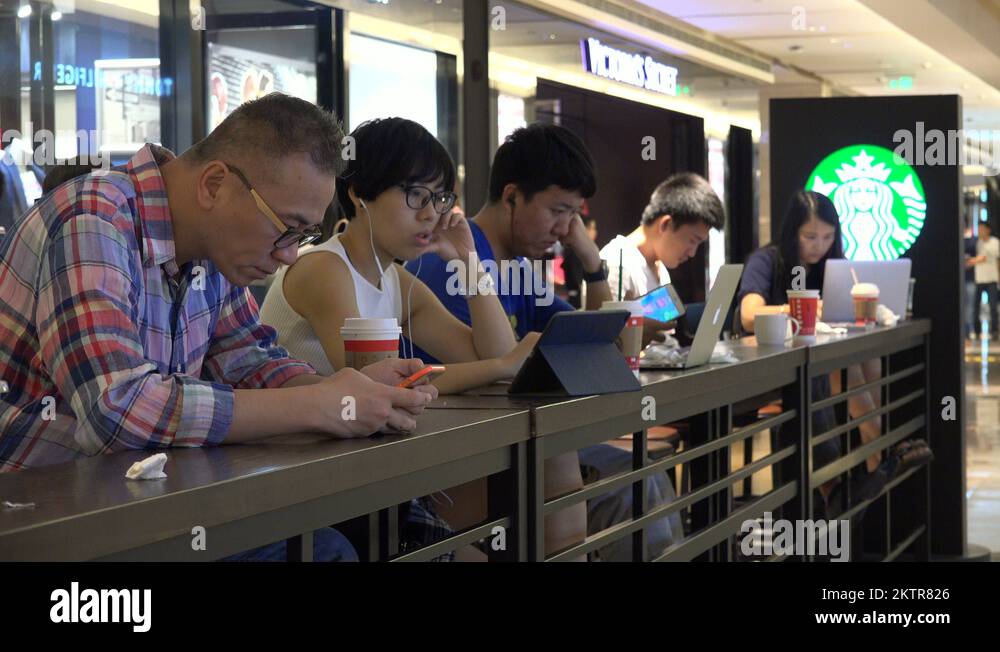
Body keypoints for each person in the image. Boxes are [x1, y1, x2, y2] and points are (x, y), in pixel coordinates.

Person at [0, 93, 438, 561]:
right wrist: (317, 405)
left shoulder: (213, 250)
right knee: (326, 552)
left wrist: (349, 394)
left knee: (346, 539)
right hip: (41, 520)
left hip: (144, 506)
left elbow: (252, 362)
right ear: (214, 185)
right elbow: (118, 409)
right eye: (287, 228)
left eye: (305, 236)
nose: (291, 254)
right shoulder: (92, 220)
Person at [260, 117, 537, 559]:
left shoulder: (397, 281)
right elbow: (384, 386)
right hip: (301, 490)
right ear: (358, 193)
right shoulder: (321, 268)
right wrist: (503, 367)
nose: (431, 214)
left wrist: (468, 259)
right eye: (415, 196)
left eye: (440, 198)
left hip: (360, 477)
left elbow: (494, 350)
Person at [407, 123, 683, 561]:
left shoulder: (518, 267)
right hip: (463, 458)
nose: (565, 227)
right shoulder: (453, 262)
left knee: (643, 473)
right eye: (558, 210)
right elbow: (495, 372)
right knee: (635, 479)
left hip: (519, 440)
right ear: (513, 196)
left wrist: (591, 263)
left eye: (574, 214)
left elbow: (596, 338)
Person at [737, 190, 909, 517]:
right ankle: (879, 453)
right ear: (792, 233)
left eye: (828, 237)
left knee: (865, 360)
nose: (819, 245)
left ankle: (874, 458)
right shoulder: (767, 260)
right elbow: (748, 313)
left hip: (813, 366)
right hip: (772, 369)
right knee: (842, 369)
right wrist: (800, 309)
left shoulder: (837, 267)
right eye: (810, 236)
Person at [970, 221, 999, 340]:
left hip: (991, 278)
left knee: (993, 306)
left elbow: (993, 258)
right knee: (975, 306)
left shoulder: (995, 242)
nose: (980, 231)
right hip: (980, 278)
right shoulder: (978, 243)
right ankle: (976, 330)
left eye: (982, 229)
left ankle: (994, 331)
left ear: (988, 230)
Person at [965, 226, 980, 341]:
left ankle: (969, 330)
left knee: (970, 306)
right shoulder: (957, 239)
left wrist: (971, 261)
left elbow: (979, 256)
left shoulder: (975, 240)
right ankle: (964, 330)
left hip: (971, 278)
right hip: (961, 278)